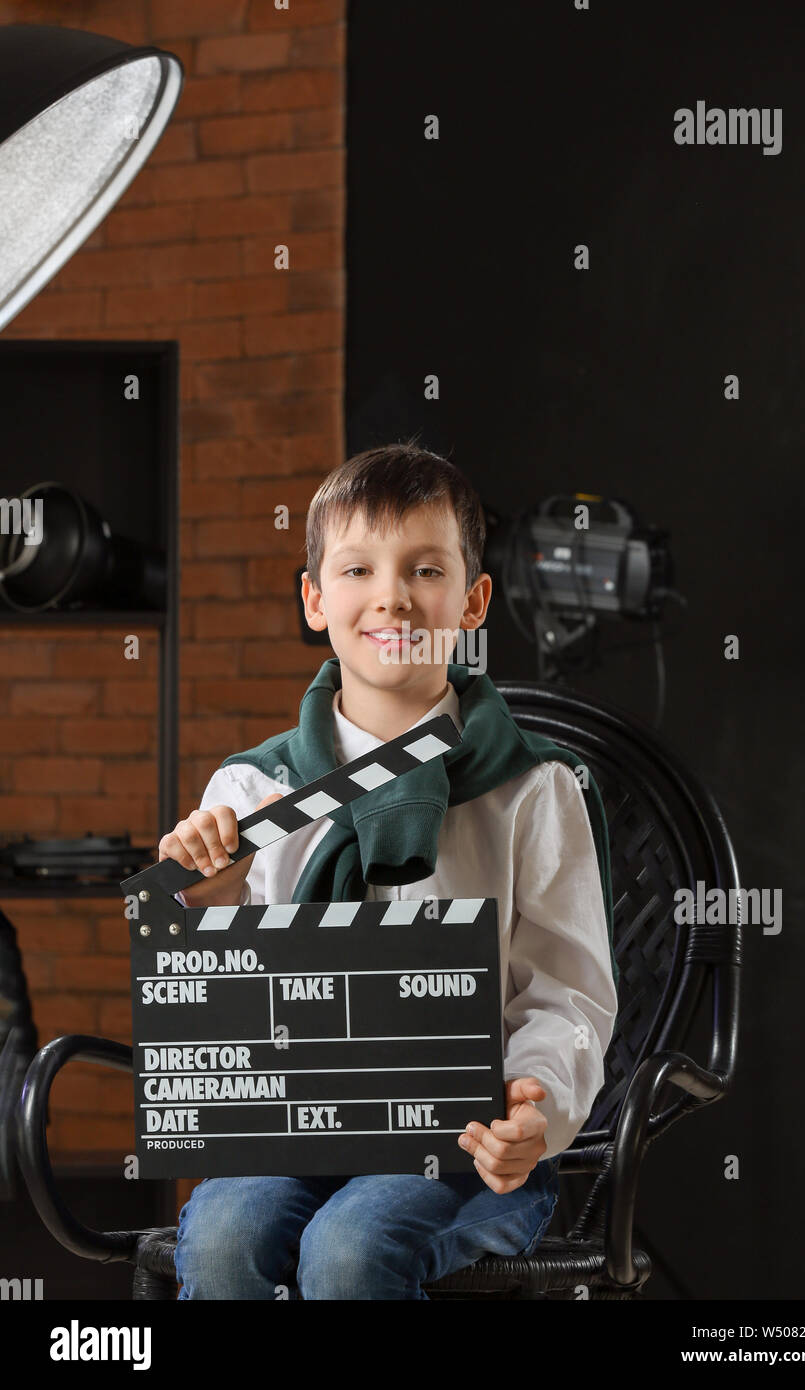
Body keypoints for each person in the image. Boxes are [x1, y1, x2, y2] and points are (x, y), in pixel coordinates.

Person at [161, 442, 619, 1299]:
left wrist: (537, 1105)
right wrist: (205, 895)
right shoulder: (255, 790)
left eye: (426, 568)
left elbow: (567, 993)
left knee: (350, 1247)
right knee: (225, 1237)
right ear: (314, 598)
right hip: (288, 1140)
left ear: (473, 600)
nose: (391, 596)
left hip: (459, 1147)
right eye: (359, 568)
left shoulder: (531, 787)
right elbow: (209, 1011)